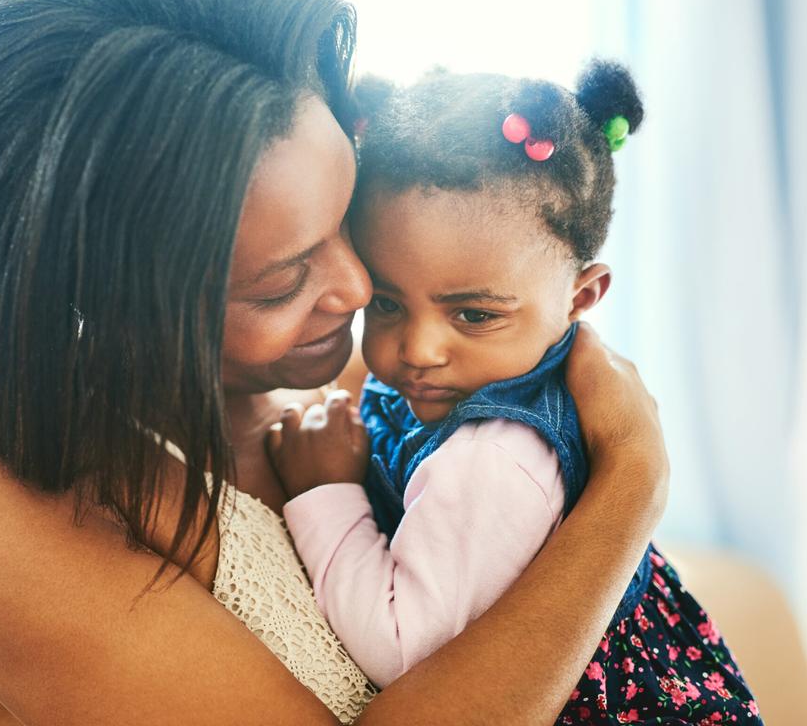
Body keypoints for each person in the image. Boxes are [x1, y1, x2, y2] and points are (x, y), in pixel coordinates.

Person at [0, 0, 670, 724]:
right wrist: (630, 487)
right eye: (284, 280)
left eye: (349, 222)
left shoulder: (391, 391)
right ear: (117, 295)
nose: (360, 288)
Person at [270, 63, 761, 723]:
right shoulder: (455, 383)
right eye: (385, 302)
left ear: (581, 298)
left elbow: (400, 648)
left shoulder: (495, 458)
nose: (417, 350)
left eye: (473, 315)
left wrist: (323, 492)